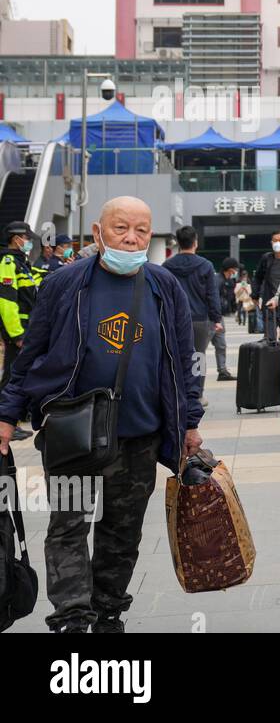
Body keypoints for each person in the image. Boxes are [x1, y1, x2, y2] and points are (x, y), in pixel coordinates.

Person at [0, 196, 204, 632]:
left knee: (121, 533)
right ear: (98, 233)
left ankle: (108, 610)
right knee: (68, 526)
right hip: (75, 439)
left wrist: (190, 422)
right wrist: (6, 414)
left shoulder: (165, 287)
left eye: (141, 230)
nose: (131, 238)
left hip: (139, 438)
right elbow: (29, 355)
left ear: (151, 236)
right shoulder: (64, 284)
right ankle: (72, 616)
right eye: (120, 228)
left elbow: (185, 360)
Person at [162, 226, 223, 400]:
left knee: (175, 357)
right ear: (195, 242)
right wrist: (216, 319)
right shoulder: (205, 265)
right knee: (198, 357)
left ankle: (178, 393)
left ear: (178, 243)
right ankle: (197, 394)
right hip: (199, 321)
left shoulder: (167, 266)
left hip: (174, 320)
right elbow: (212, 295)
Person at [0, 221, 41, 442]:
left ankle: (12, 419)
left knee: (17, 373)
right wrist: (16, 335)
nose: (29, 243)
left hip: (27, 330)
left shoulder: (21, 263)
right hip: (18, 332)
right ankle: (4, 419)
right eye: (26, 238)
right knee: (12, 375)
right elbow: (6, 302)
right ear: (16, 239)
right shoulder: (8, 262)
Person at [254, 230, 280, 343]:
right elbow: (258, 277)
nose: (277, 243)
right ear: (271, 242)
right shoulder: (267, 259)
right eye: (275, 240)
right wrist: (255, 294)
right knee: (270, 337)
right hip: (269, 301)